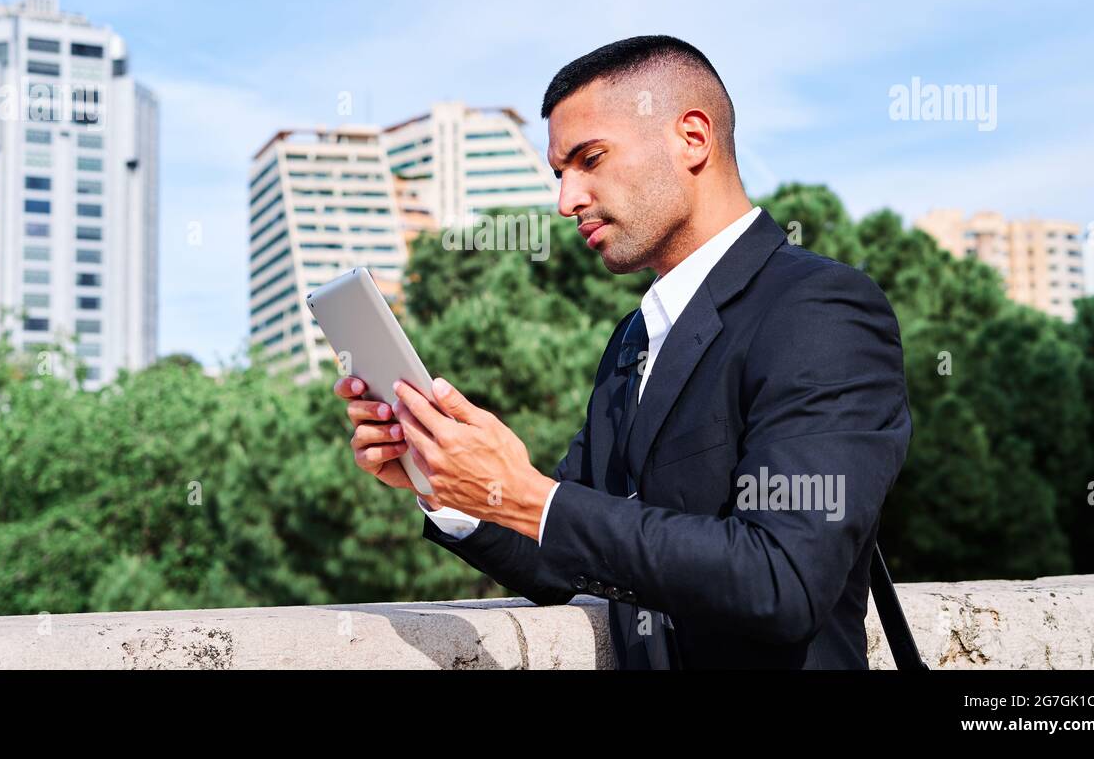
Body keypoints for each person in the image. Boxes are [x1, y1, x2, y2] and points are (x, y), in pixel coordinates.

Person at [335, 35, 912, 668]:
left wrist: (528, 494)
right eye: (560, 173)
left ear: (692, 138)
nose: (566, 201)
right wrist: (447, 483)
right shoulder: (635, 337)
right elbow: (561, 556)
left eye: (591, 159)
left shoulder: (820, 309)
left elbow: (782, 577)